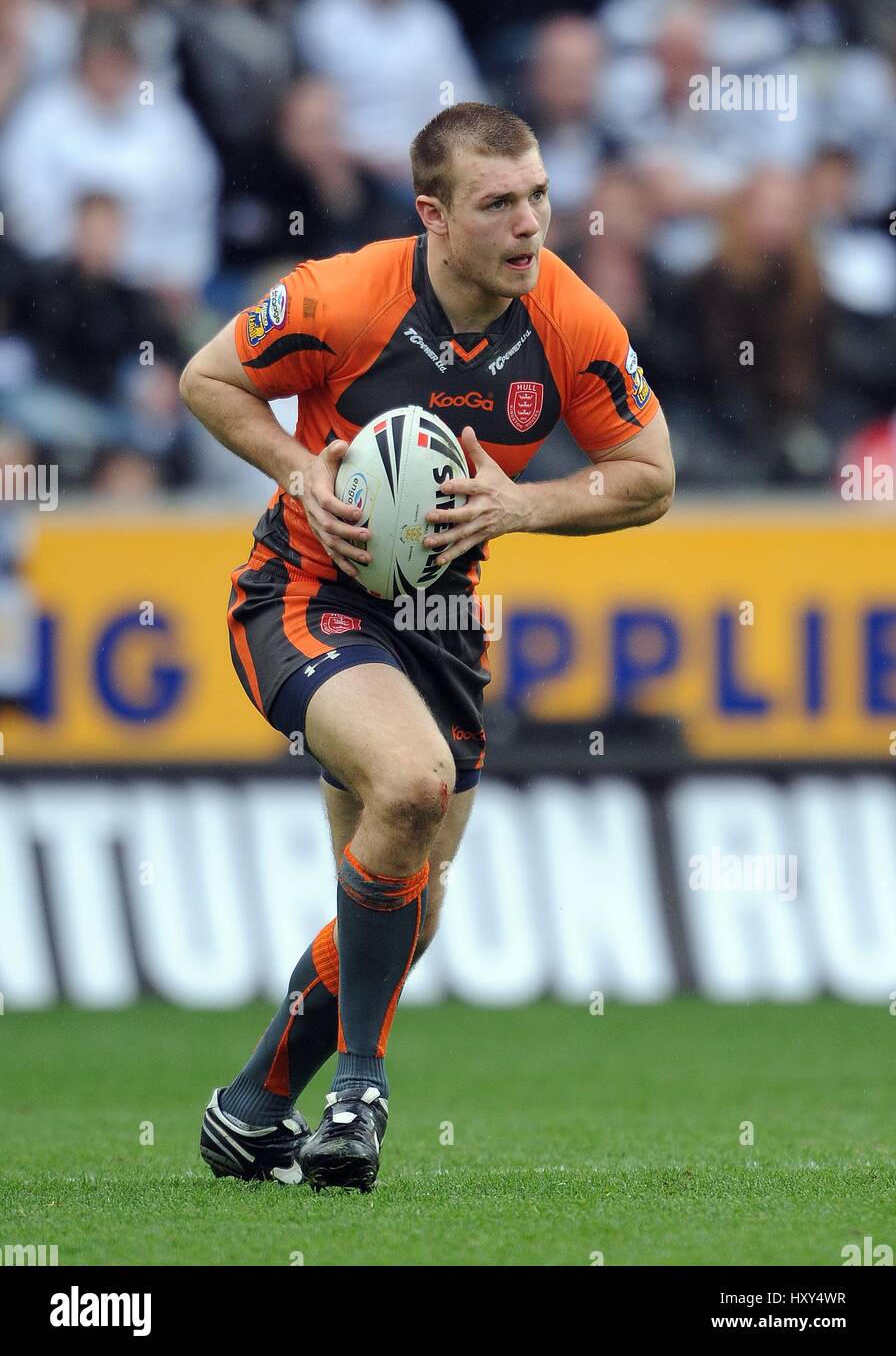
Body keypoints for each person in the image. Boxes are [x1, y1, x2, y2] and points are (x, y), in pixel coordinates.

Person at [180, 101, 675, 1192]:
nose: (530, 223)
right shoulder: (342, 295)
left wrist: (523, 506)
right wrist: (297, 467)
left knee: (415, 902)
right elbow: (207, 377)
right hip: (303, 592)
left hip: (443, 623)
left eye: (539, 195)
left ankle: (252, 1105)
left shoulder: (566, 316)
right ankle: (358, 1086)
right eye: (499, 203)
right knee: (410, 782)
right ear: (433, 217)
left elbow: (648, 474)